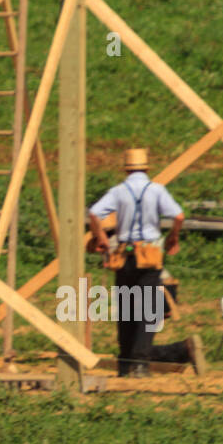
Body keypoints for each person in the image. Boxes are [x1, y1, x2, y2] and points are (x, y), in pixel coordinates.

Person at [88, 147, 204, 378]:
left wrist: (101, 239)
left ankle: (124, 363)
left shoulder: (118, 191)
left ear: (127, 169)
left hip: (123, 256)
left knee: (126, 310)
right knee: (147, 312)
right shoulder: (157, 190)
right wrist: (173, 237)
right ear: (146, 168)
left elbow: (94, 213)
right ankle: (140, 364)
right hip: (150, 255)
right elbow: (178, 216)